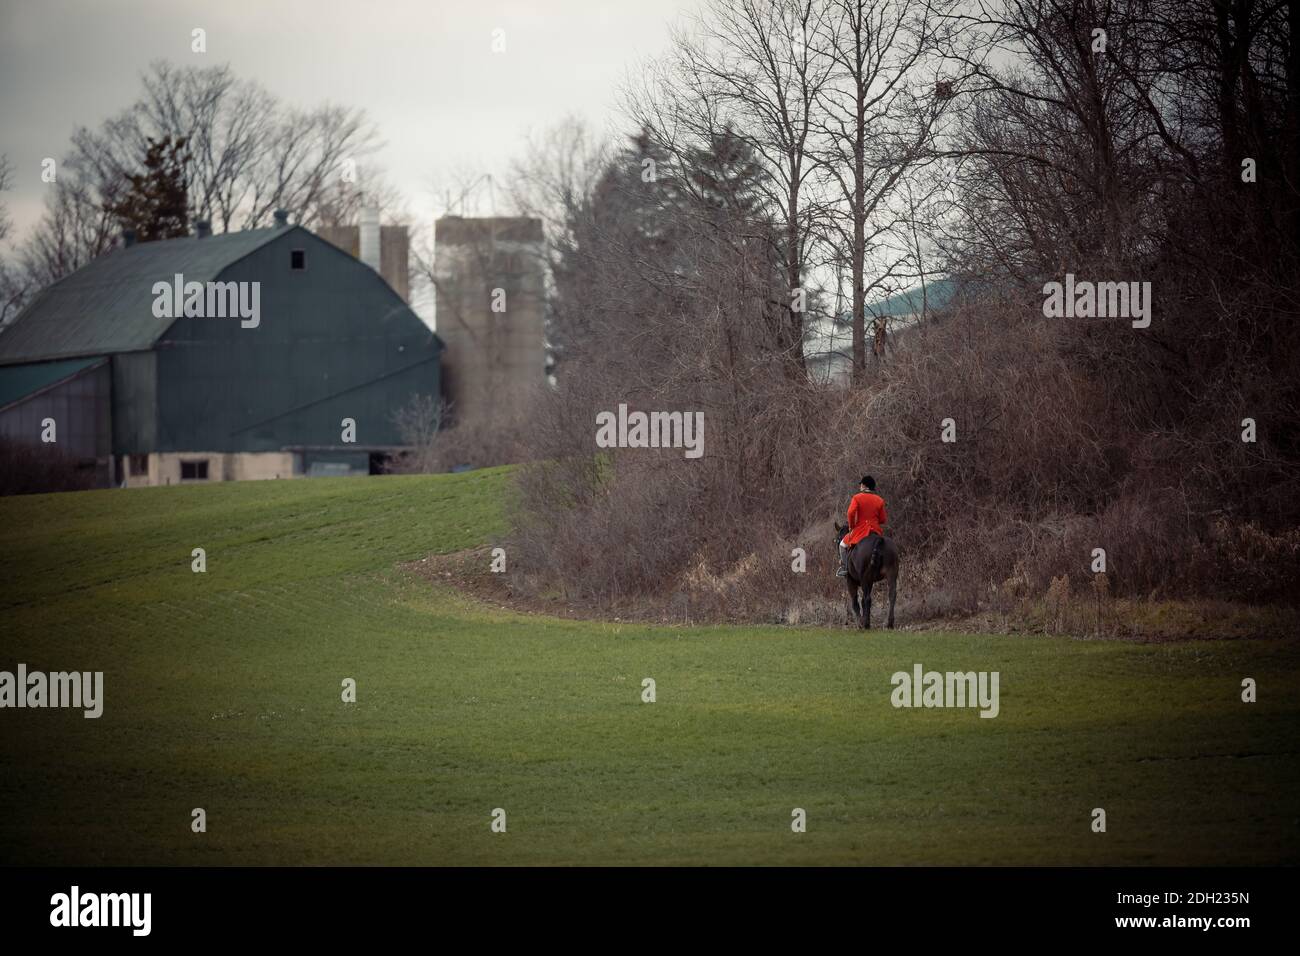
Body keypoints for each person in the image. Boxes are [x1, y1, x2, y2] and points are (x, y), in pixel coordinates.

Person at [837, 475, 888, 577]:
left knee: (842, 545)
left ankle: (845, 568)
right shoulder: (879, 500)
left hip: (860, 530)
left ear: (864, 486)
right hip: (875, 531)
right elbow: (883, 519)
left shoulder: (857, 498)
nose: (860, 487)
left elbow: (850, 513)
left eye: (861, 485)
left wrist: (851, 526)